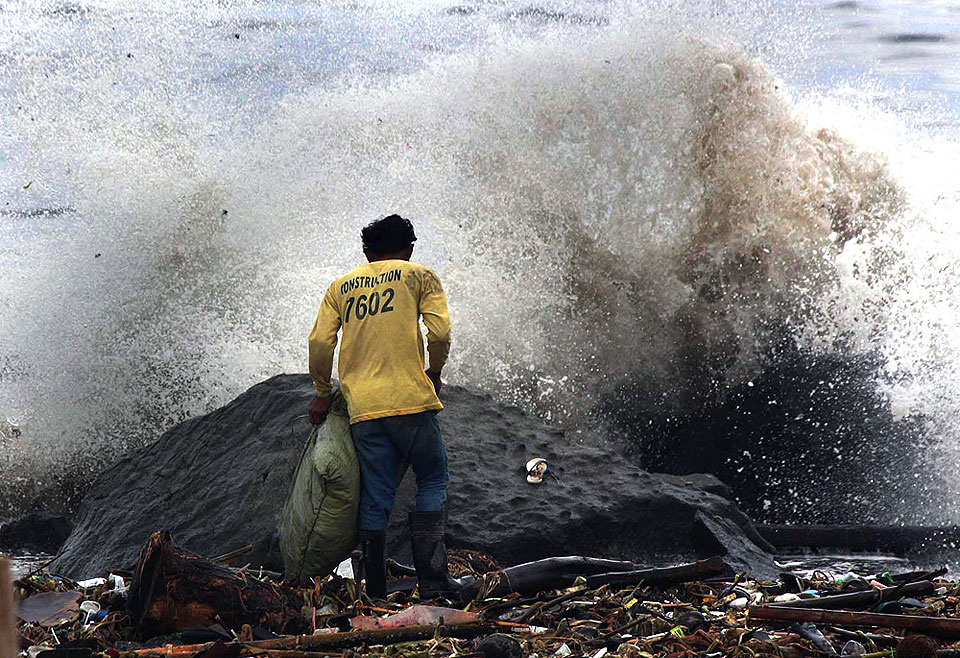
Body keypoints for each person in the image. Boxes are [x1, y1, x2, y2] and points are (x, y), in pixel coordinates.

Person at [307, 214, 464, 599]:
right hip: (411, 402)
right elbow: (440, 332)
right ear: (409, 248)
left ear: (367, 252)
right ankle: (433, 581)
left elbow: (320, 343)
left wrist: (322, 392)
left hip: (363, 411)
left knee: (377, 494)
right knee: (431, 477)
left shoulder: (341, 287)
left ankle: (374, 591)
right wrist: (435, 370)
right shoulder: (418, 275)